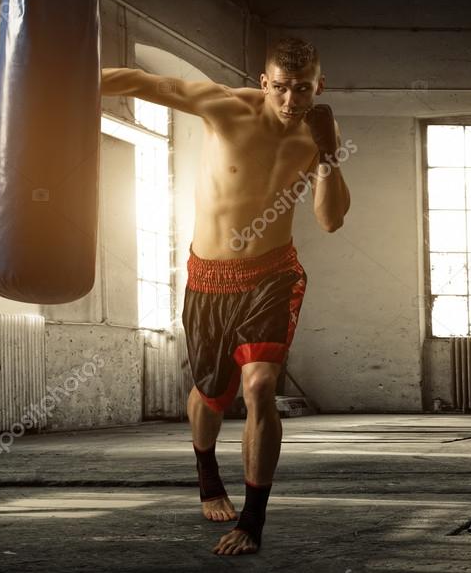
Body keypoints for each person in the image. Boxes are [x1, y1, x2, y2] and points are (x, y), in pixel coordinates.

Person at [100, 37, 351, 555]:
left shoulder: (317, 132)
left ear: (318, 86)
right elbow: (150, 82)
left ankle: (253, 521)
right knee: (212, 396)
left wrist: (328, 156)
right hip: (209, 278)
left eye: (302, 89)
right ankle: (207, 473)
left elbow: (330, 219)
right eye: (280, 88)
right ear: (264, 83)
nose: (290, 101)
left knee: (259, 386)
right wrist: (61, 83)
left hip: (273, 274)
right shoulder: (225, 107)